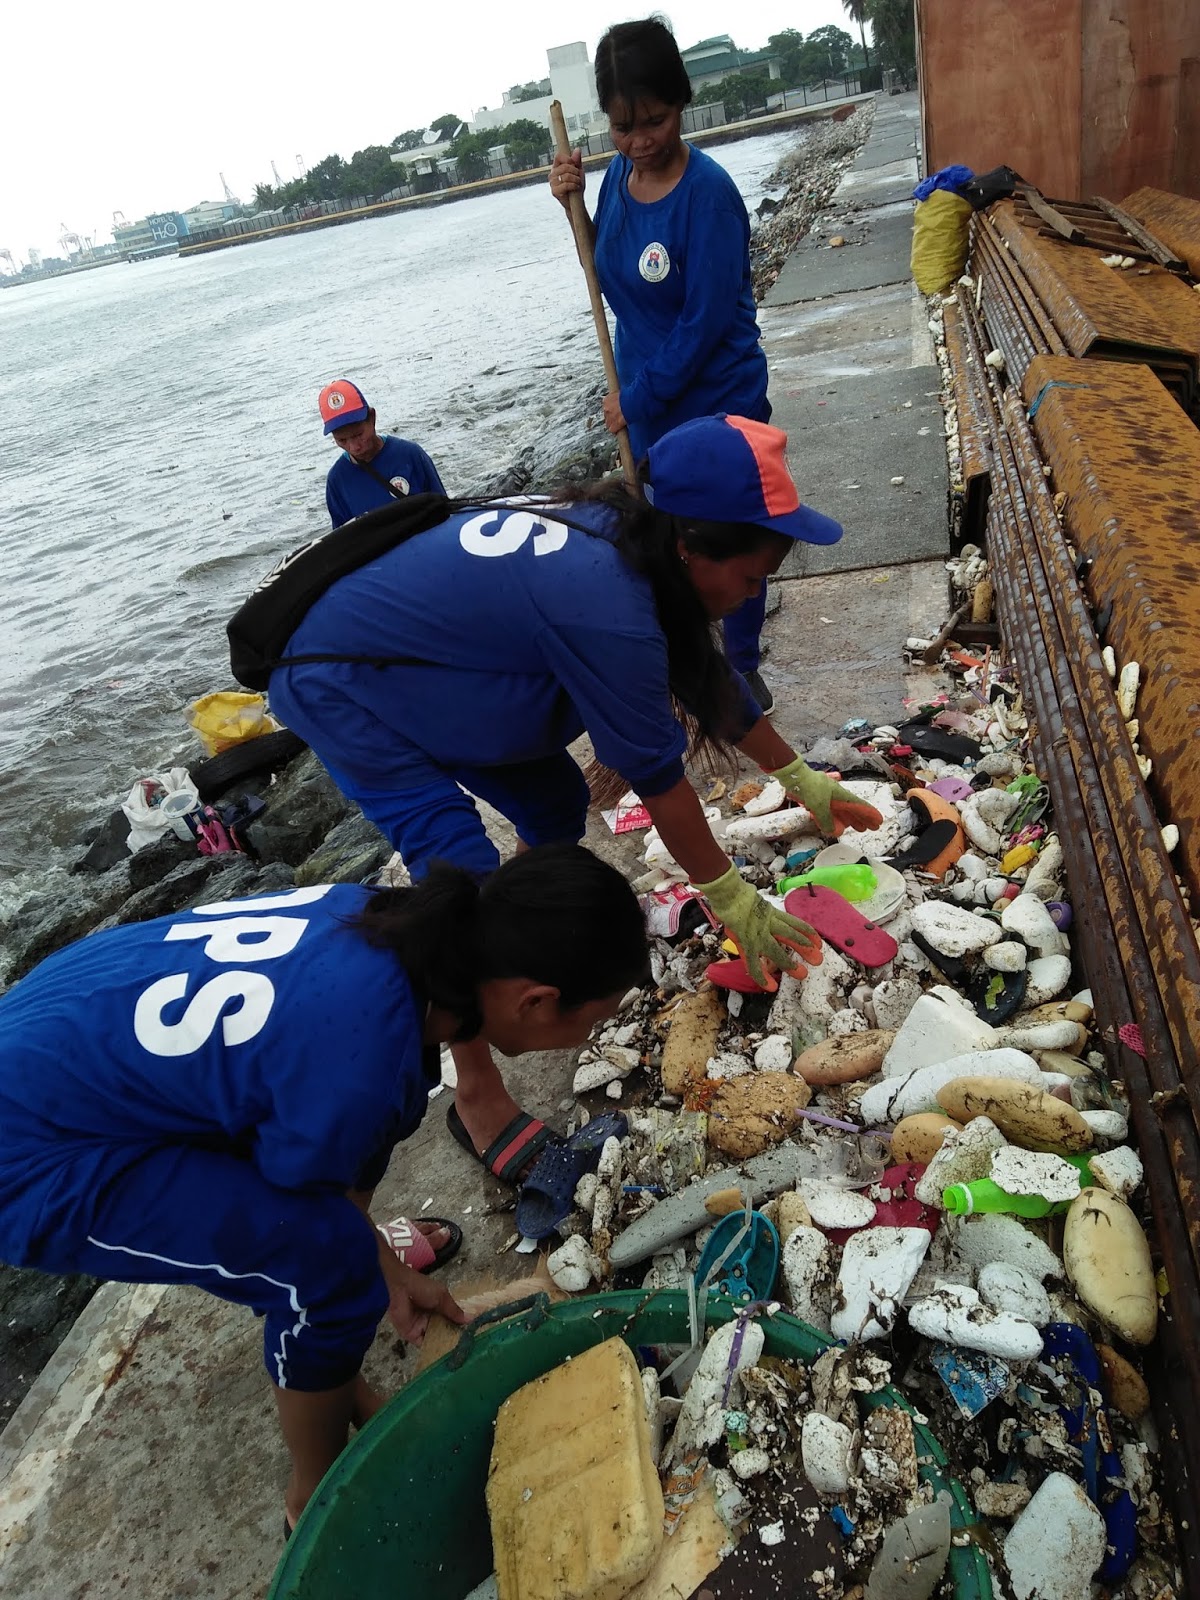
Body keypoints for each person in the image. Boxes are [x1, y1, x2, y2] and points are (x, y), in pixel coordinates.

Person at [264, 413, 883, 1181]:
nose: (755, 594)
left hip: (439, 661)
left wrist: (804, 781)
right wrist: (730, 896)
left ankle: (523, 947)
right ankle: (477, 1089)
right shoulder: (608, 603)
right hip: (345, 676)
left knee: (555, 805)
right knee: (455, 867)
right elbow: (658, 778)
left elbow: (705, 679)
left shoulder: (636, 534)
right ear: (692, 546)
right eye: (753, 577)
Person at [0, 846, 648, 1533]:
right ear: (537, 1001)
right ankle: (313, 1492)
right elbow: (313, 1219)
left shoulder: (387, 925)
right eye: (593, 1017)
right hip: (33, 1151)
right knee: (324, 1271)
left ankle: (330, 1380)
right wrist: (354, 1273)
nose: (591, 1032)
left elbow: (339, 1158)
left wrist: (386, 1266)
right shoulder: (361, 1058)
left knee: (335, 1249)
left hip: (59, 1024)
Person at [550, 17, 776, 710]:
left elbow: (704, 324)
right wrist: (574, 206)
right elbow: (607, 271)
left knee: (728, 540)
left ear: (680, 101)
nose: (640, 140)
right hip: (646, 390)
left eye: (653, 120)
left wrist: (640, 397)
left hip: (715, 390)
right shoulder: (618, 176)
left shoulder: (706, 193)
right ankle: (687, 655)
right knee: (667, 540)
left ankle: (740, 670)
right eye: (623, 126)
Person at [319, 378, 445, 528]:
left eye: (358, 435)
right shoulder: (337, 480)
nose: (354, 447)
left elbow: (444, 508)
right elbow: (343, 540)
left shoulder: (411, 455)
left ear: (372, 418)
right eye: (342, 440)